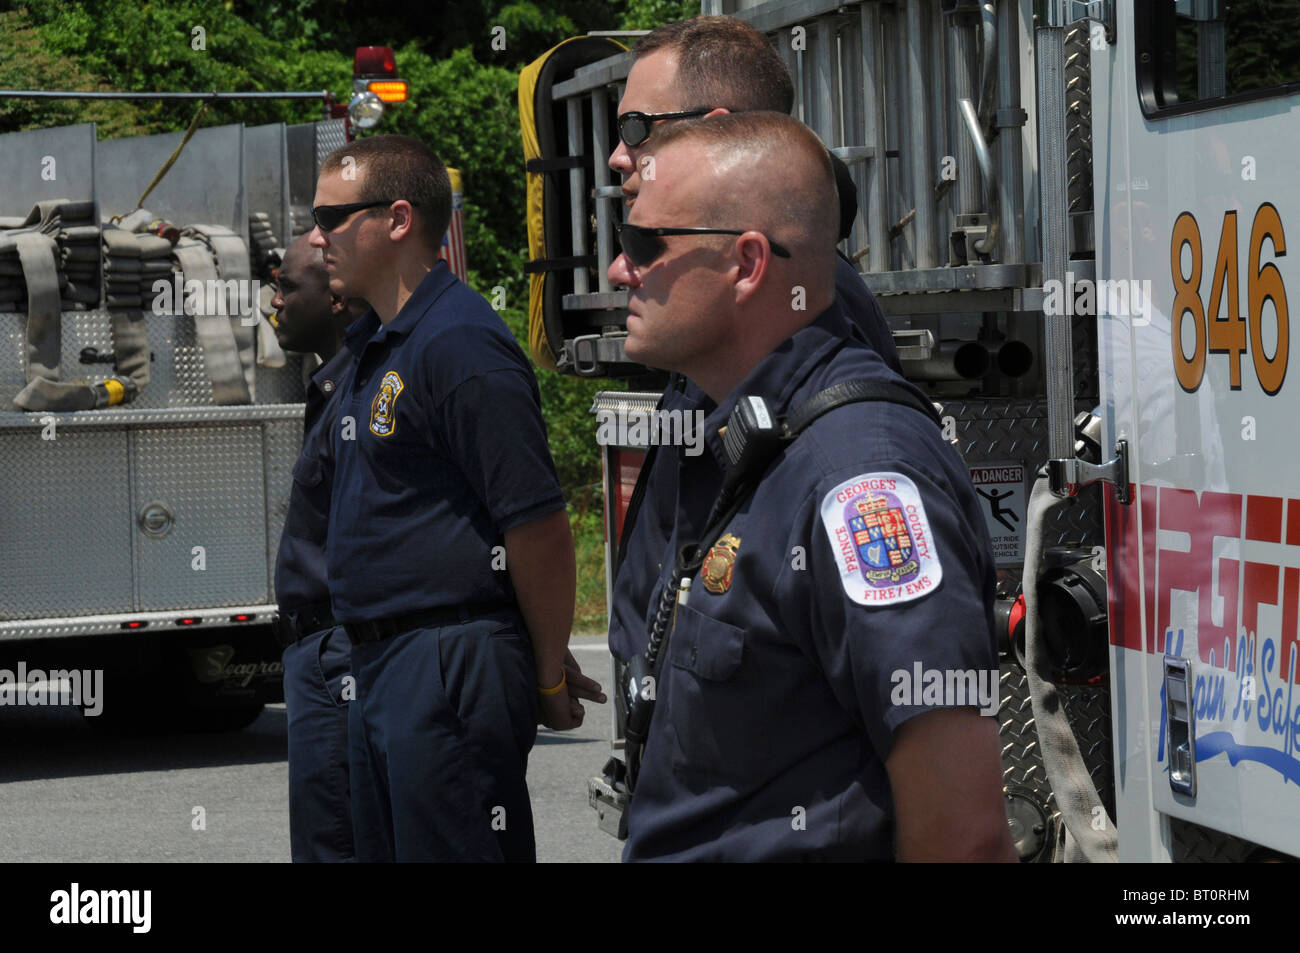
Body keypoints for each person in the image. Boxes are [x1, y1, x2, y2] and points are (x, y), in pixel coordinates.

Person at [606, 111, 1016, 861]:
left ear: (749, 262)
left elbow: (962, 833)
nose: (618, 269)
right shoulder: (751, 437)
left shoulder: (863, 480)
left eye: (643, 243)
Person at [308, 135, 596, 862]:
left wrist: (550, 666)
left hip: (445, 661)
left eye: (331, 216)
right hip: (384, 661)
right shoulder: (383, 340)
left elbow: (536, 525)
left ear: (398, 219)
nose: (316, 237)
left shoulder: (461, 342)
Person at [605, 14, 902, 671]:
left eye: (635, 128)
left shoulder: (808, 311)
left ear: (711, 126)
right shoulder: (718, 313)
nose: (617, 155)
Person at [271, 234, 368, 863]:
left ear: (335, 299)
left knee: (336, 844)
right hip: (318, 654)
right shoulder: (333, 386)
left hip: (341, 656)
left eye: (286, 287)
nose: (270, 301)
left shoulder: (366, 390)